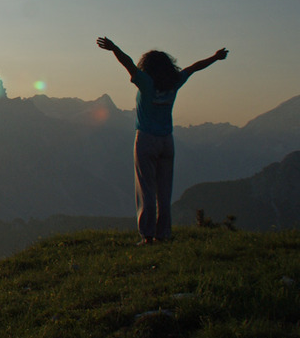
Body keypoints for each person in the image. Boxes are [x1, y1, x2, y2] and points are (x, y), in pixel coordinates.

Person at [96, 37, 228, 245]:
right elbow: (193, 67)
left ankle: (147, 236)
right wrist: (215, 57)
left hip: (146, 139)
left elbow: (128, 63)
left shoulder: (145, 83)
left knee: (146, 189)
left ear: (147, 66)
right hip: (167, 141)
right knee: (164, 192)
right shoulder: (175, 82)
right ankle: (163, 234)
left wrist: (114, 48)